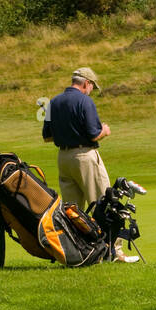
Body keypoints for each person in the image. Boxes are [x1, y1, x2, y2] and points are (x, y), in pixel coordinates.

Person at [42, 66, 136, 261]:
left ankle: (77, 253)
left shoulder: (52, 103)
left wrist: (67, 133)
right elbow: (94, 134)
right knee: (104, 202)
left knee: (72, 210)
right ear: (86, 83)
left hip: (63, 159)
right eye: (92, 86)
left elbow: (47, 137)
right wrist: (106, 131)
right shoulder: (85, 101)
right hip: (84, 156)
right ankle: (113, 252)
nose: (91, 90)